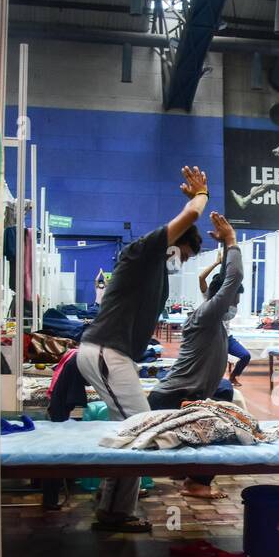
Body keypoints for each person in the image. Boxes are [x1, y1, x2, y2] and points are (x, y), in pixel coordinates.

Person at [76, 165, 209, 533]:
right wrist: (201, 195)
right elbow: (192, 214)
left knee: (131, 428)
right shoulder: (145, 250)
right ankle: (115, 512)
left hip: (113, 353)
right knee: (141, 427)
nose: (179, 262)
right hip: (105, 351)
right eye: (182, 254)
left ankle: (112, 508)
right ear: (174, 243)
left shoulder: (157, 272)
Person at [148, 212, 243, 499]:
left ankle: (191, 476)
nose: (235, 304)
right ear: (222, 298)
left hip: (185, 394)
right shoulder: (208, 313)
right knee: (224, 427)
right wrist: (231, 240)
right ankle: (197, 481)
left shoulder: (214, 318)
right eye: (234, 298)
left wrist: (226, 250)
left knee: (223, 403)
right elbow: (234, 276)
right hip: (174, 397)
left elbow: (229, 277)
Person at [197, 247, 251, 387]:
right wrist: (216, 263)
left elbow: (235, 290)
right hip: (212, 339)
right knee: (213, 365)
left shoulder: (231, 300)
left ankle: (233, 377)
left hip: (227, 338)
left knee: (245, 355)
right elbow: (201, 277)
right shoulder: (209, 298)